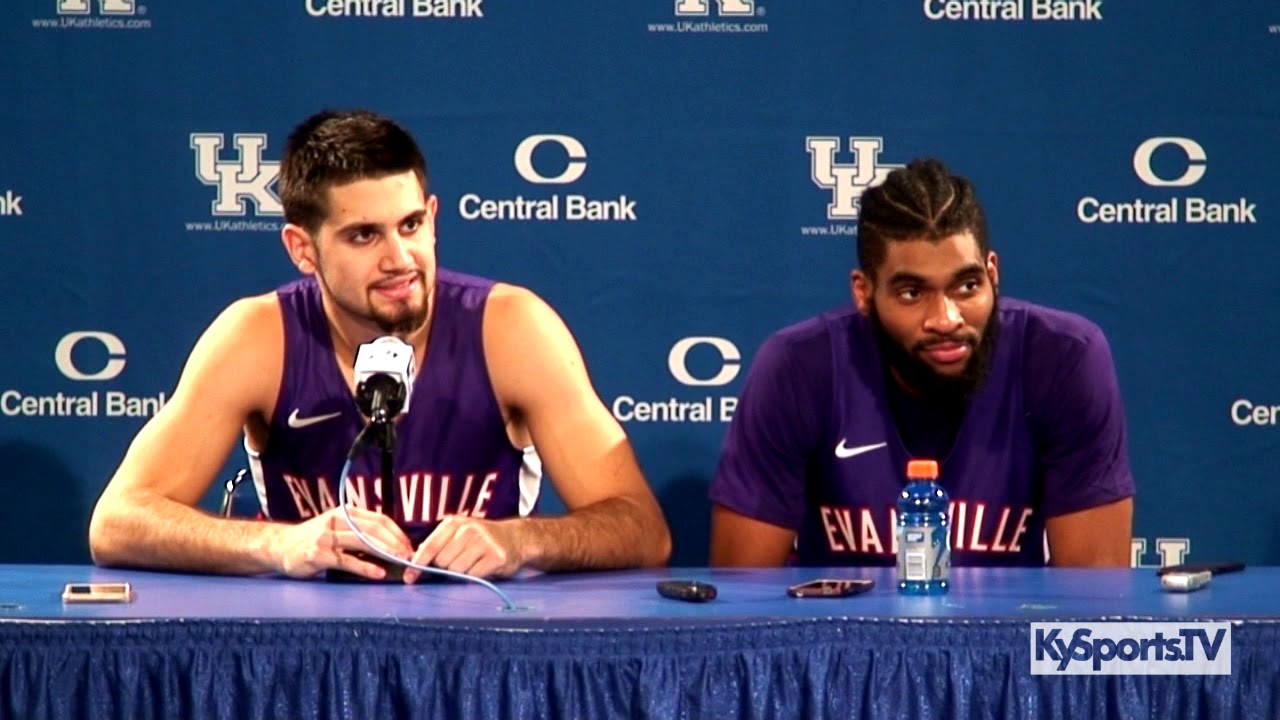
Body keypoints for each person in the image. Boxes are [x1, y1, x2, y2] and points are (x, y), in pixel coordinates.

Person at [89, 109, 671, 581]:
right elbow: (117, 522)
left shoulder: (512, 328)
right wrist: (279, 543)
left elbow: (642, 529)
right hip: (309, 658)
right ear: (302, 248)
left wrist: (521, 540)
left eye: (411, 225)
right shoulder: (257, 337)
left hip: (480, 653)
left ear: (434, 217)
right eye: (364, 235)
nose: (399, 259)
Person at [709, 158, 1134, 568]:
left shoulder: (1063, 357)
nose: (946, 319)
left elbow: (1093, 608)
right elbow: (742, 608)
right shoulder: (798, 367)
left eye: (967, 286)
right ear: (863, 292)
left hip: (1011, 640)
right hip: (838, 641)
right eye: (912, 293)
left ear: (993, 272)